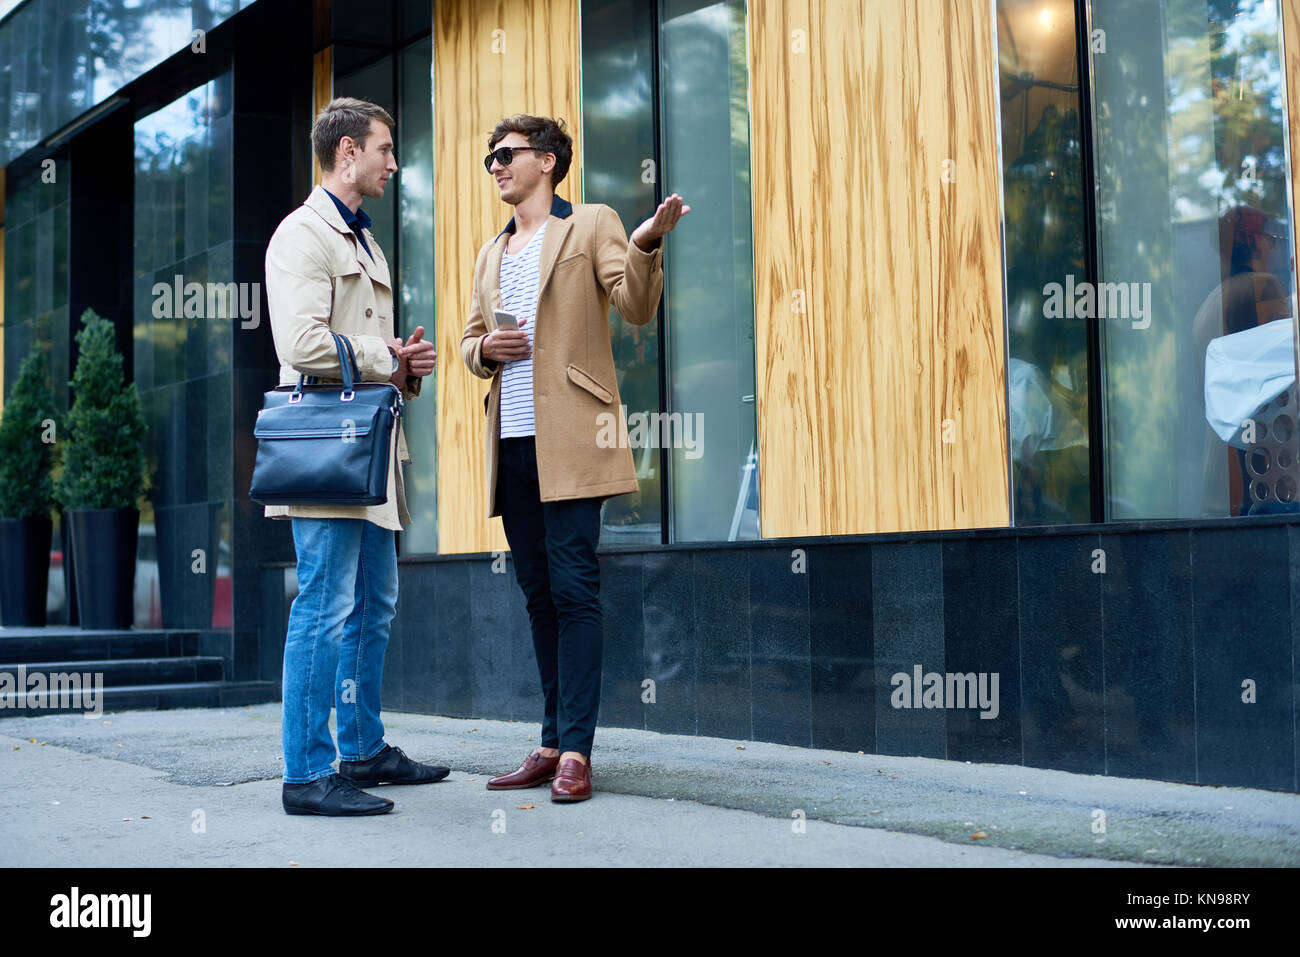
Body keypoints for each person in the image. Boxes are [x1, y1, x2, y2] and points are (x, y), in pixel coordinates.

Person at [461, 114, 688, 802]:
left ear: (549, 161)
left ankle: (578, 752)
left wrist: (647, 242)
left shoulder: (590, 223)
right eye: (490, 158)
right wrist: (482, 351)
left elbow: (635, 304)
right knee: (537, 593)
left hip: (574, 437)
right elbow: (472, 339)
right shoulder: (491, 251)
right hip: (513, 444)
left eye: (506, 154)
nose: (496, 166)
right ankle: (551, 737)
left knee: (573, 587)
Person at [264, 97, 443, 816]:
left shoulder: (364, 243)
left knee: (374, 603)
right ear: (347, 152)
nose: (393, 164)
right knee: (325, 605)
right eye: (385, 150)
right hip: (327, 450)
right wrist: (384, 356)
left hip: (371, 448)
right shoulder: (303, 236)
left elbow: (368, 356)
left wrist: (407, 368)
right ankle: (306, 774)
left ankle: (361, 748)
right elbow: (300, 346)